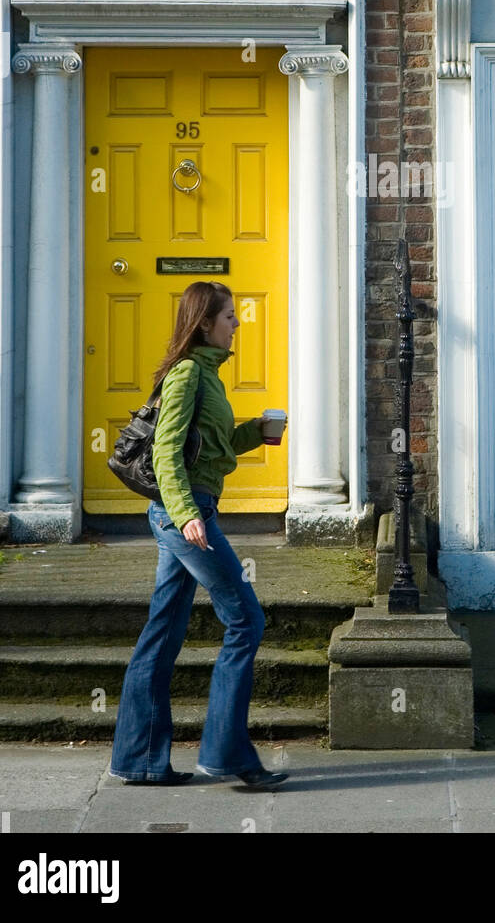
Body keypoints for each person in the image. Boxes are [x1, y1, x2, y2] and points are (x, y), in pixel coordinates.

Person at [109, 280, 288, 790]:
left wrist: (258, 432)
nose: (238, 323)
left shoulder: (208, 377)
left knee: (162, 631)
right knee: (246, 619)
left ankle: (141, 760)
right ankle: (226, 753)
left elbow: (212, 445)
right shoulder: (187, 374)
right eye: (230, 315)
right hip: (183, 516)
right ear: (205, 323)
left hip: (186, 511)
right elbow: (165, 453)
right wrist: (187, 513)